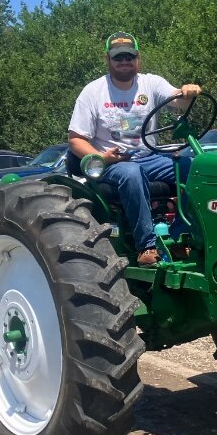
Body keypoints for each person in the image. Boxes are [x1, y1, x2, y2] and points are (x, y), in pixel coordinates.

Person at [68, 32, 201, 266]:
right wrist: (101, 157)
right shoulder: (93, 91)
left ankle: (180, 236)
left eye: (129, 56)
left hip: (149, 158)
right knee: (131, 173)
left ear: (138, 59)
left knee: (196, 167)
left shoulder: (151, 83)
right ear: (107, 60)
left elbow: (178, 101)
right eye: (118, 57)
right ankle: (146, 247)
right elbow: (76, 140)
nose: (124, 61)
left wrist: (188, 93)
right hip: (112, 163)